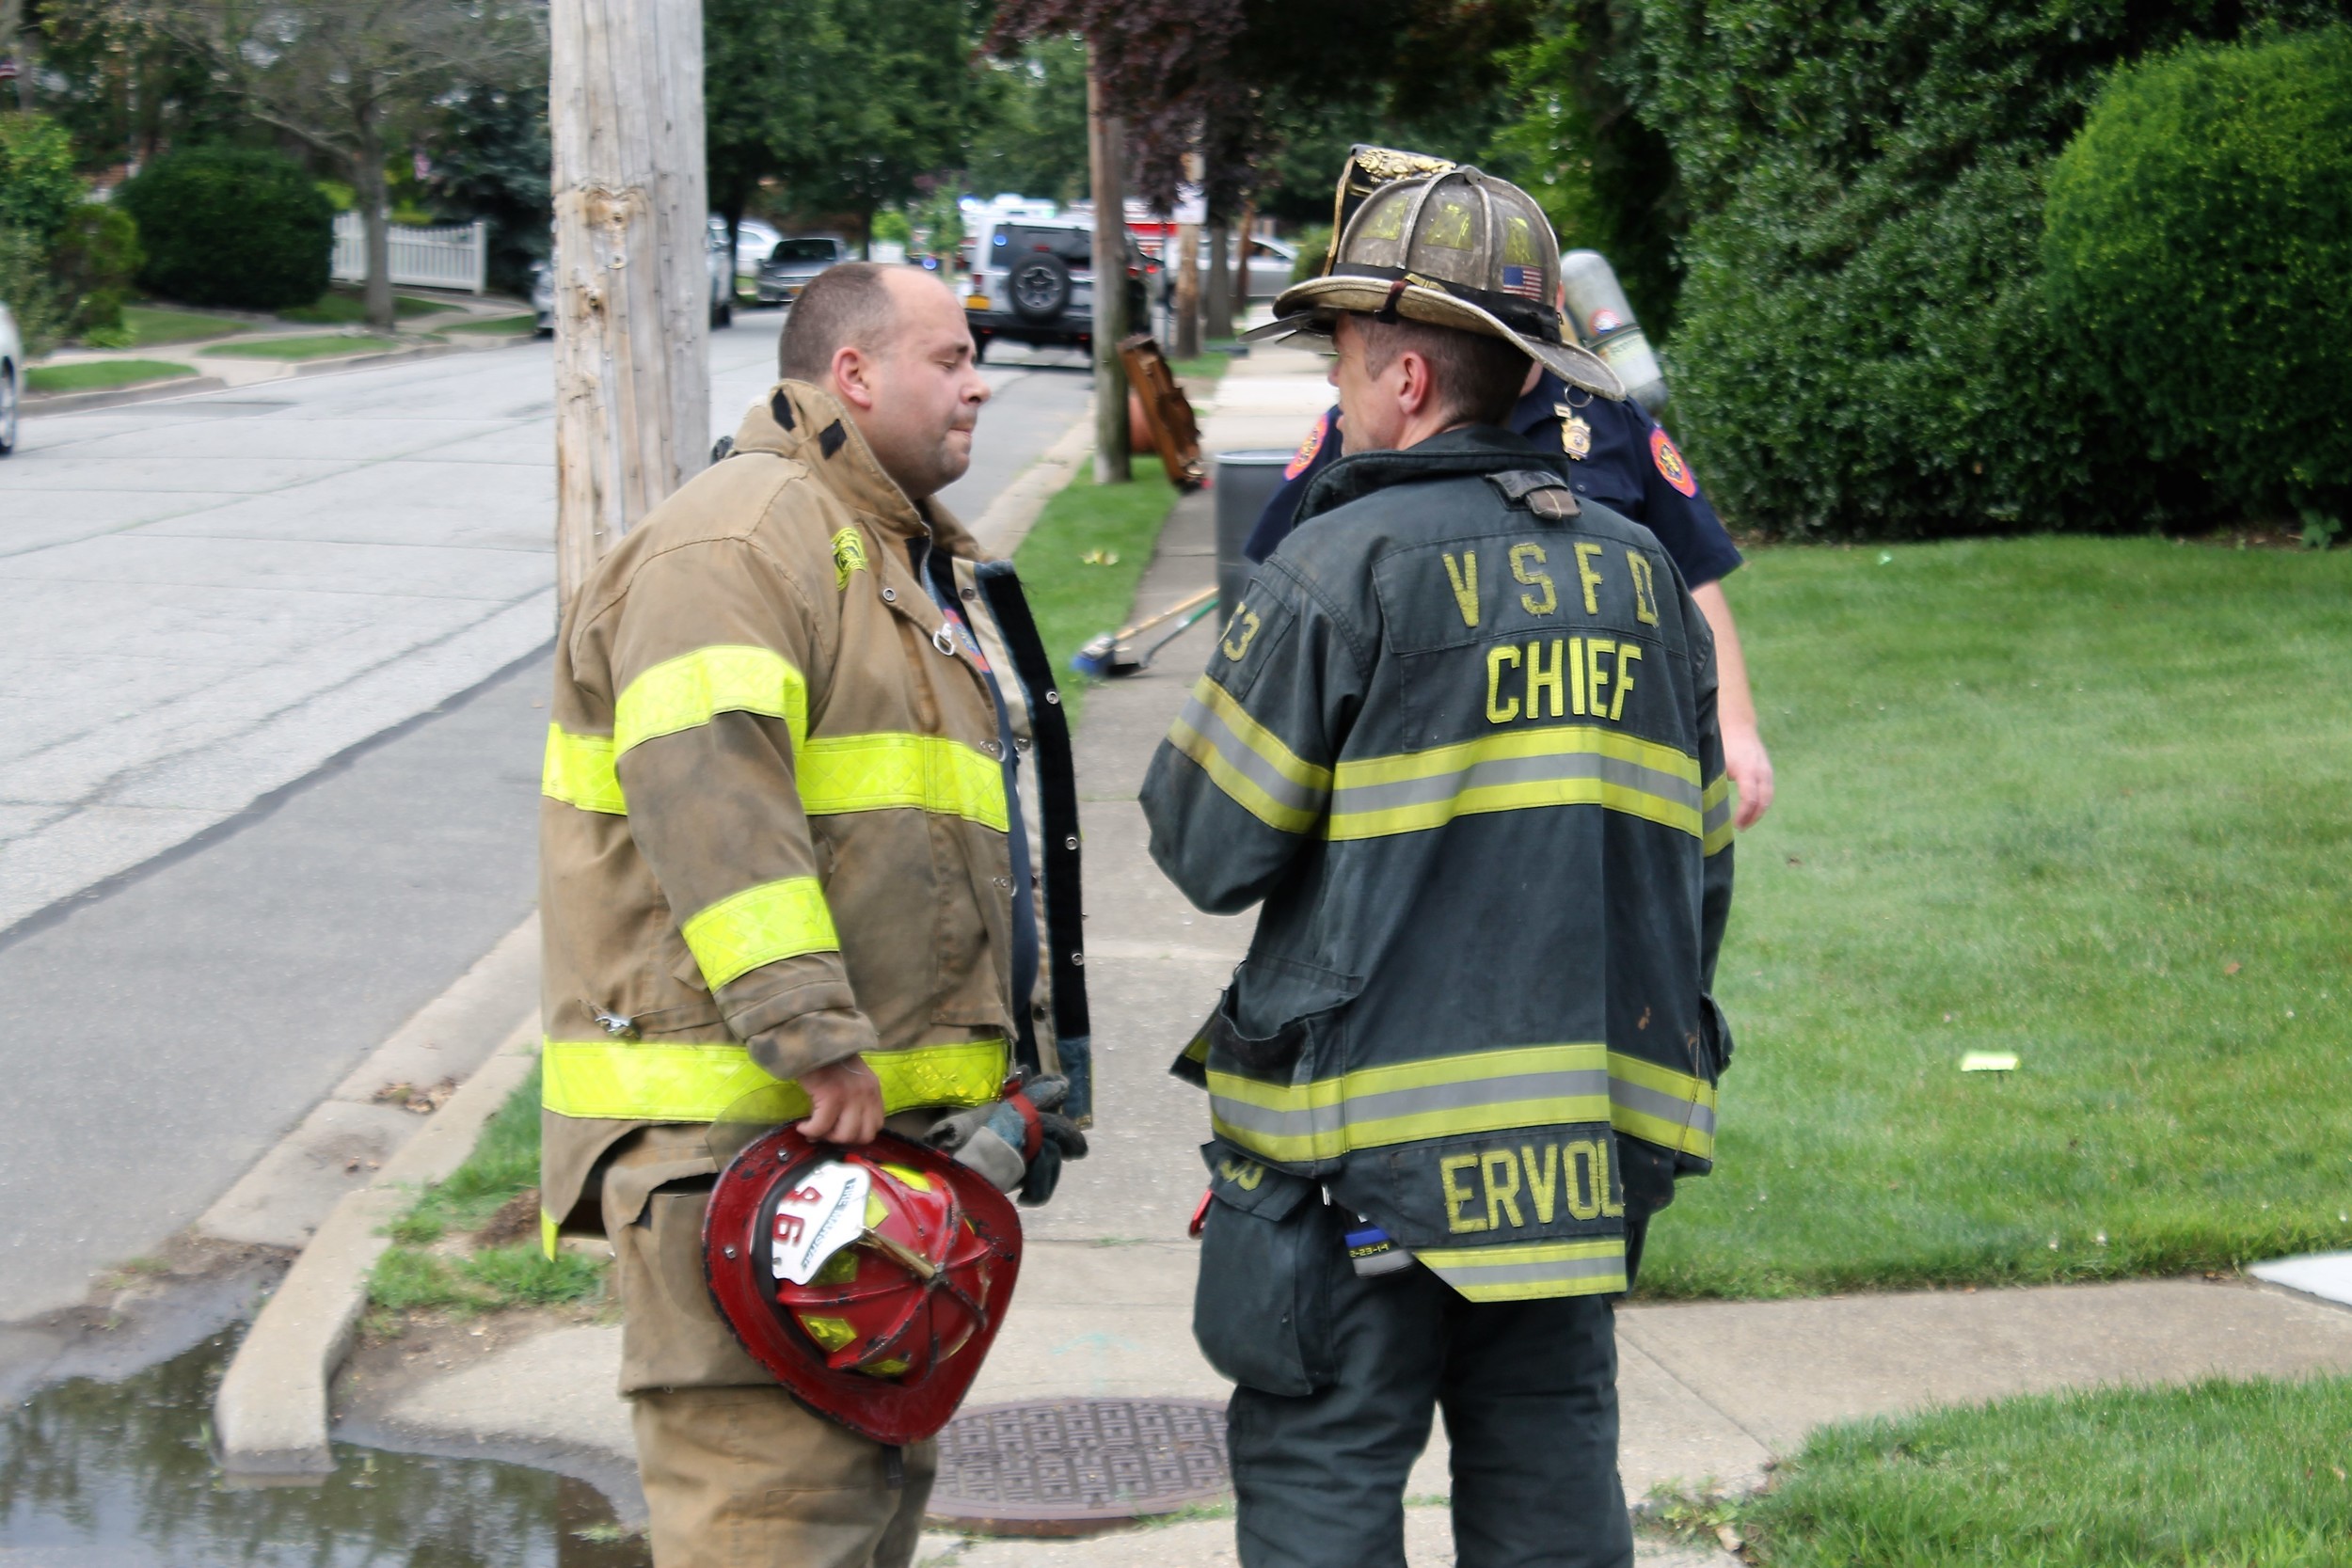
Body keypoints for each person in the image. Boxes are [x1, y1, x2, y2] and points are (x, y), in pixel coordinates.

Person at [1141, 168, 1734, 1568]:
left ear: (1406, 375)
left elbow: (1205, 847)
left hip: (1364, 1177)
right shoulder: (1646, 580)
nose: (1336, 402)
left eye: (1343, 368)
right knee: (1551, 1498)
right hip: (1572, 1168)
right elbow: (1697, 869)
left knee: (1326, 1478)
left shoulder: (1340, 566)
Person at [536, 263, 1091, 1568]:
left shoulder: (881, 556)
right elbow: (707, 788)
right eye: (951, 359)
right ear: (853, 374)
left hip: (863, 1169)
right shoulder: (737, 543)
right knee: (773, 1527)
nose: (981, 383)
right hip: (744, 1156)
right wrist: (811, 1032)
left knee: (850, 1520)